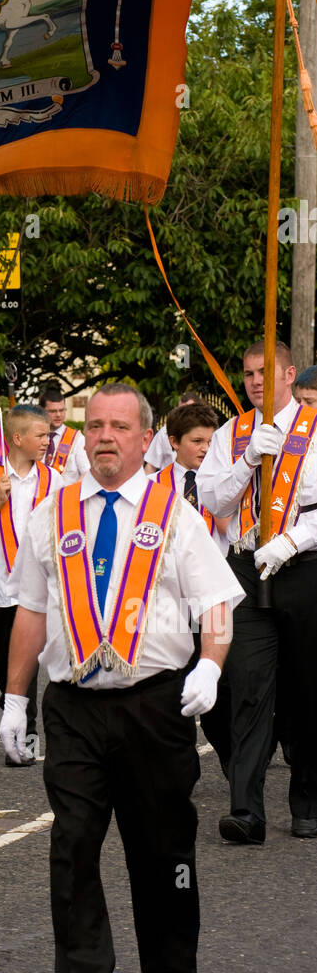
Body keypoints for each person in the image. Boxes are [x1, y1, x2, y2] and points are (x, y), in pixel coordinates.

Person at [0, 383, 243, 973]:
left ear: (143, 437)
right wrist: (13, 699)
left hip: (153, 706)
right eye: (96, 425)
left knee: (161, 849)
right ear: (84, 436)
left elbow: (214, 602)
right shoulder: (51, 513)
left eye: (120, 426)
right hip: (74, 705)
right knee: (73, 844)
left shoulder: (174, 515)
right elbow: (30, 609)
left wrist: (210, 666)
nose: (106, 436)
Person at [198, 339, 317, 843]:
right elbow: (213, 499)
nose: (256, 382)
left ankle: (308, 803)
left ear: (290, 374)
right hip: (246, 568)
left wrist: (290, 540)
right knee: (247, 687)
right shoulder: (232, 432)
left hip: (304, 567)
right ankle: (246, 810)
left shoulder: (315, 429)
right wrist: (247, 459)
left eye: (266, 373)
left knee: (306, 689)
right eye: (248, 374)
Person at [0, 405, 60, 765]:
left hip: (39, 592)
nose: (47, 441)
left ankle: (27, 740)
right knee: (4, 664)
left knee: (30, 663)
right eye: (41, 435)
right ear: (17, 438)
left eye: (48, 435)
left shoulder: (55, 480)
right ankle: (12, 705)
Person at [152, 402, 229, 555]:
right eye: (197, 441)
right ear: (174, 442)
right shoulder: (152, 484)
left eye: (210, 442)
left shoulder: (224, 481)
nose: (206, 448)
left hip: (213, 568)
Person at [143, 389, 204, 474]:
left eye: (189, 411)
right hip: (168, 485)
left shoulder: (207, 435)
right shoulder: (165, 432)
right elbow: (151, 466)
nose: (184, 415)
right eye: (181, 411)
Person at [39, 385, 90, 483]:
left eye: (62, 410)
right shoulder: (34, 436)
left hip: (66, 496)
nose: (58, 415)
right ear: (42, 411)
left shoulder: (77, 439)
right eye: (53, 411)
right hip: (38, 496)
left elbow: (87, 473)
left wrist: (71, 494)